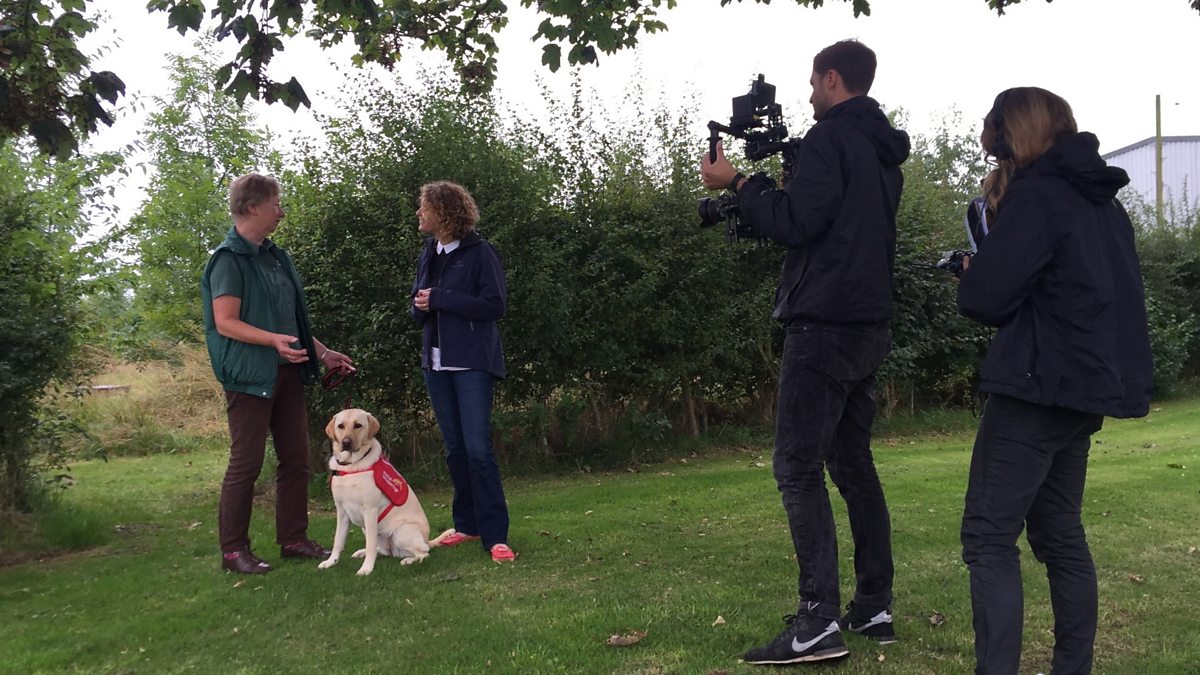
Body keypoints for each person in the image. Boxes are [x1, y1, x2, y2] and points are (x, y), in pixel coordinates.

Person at [700, 39, 910, 664]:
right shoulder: (882, 153)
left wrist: (737, 181)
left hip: (824, 324)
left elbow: (797, 224)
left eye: (814, 82)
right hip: (868, 323)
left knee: (797, 468)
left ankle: (817, 620)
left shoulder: (829, 141)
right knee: (852, 465)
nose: (809, 93)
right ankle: (874, 604)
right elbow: (835, 222)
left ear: (834, 79)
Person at [956, 87, 1153, 675]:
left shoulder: (1038, 196)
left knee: (988, 539)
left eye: (991, 127)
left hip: (1036, 389)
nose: (986, 137)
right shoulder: (1100, 201)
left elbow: (986, 298)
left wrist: (977, 270)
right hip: (1081, 392)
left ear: (1013, 129)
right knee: (1060, 534)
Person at [201, 173, 354, 574]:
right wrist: (271, 341)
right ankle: (234, 550)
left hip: (288, 371)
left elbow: (289, 320)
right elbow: (225, 322)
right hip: (250, 376)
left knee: (296, 460)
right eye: (276, 204)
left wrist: (322, 354)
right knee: (246, 463)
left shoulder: (275, 257)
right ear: (252, 207)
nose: (281, 212)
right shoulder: (228, 261)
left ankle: (294, 539)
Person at [409, 180, 515, 564]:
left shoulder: (480, 253)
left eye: (424, 207)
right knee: (455, 450)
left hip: (471, 364)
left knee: (477, 450)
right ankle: (466, 525)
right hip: (435, 364)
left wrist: (441, 299)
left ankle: (496, 536)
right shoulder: (430, 252)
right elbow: (418, 303)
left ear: (444, 212)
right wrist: (419, 307)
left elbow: (494, 305)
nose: (419, 214)